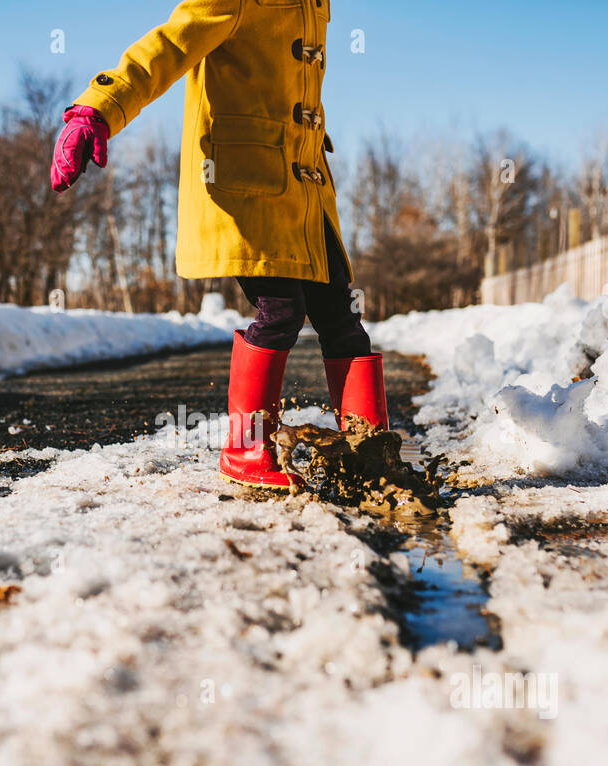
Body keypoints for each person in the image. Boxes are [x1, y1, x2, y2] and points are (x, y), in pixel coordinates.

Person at [50, 0, 387, 490]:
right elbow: (166, 46)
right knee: (282, 312)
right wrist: (97, 109)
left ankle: (371, 449)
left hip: (306, 197)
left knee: (341, 319)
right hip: (246, 189)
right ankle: (247, 451)